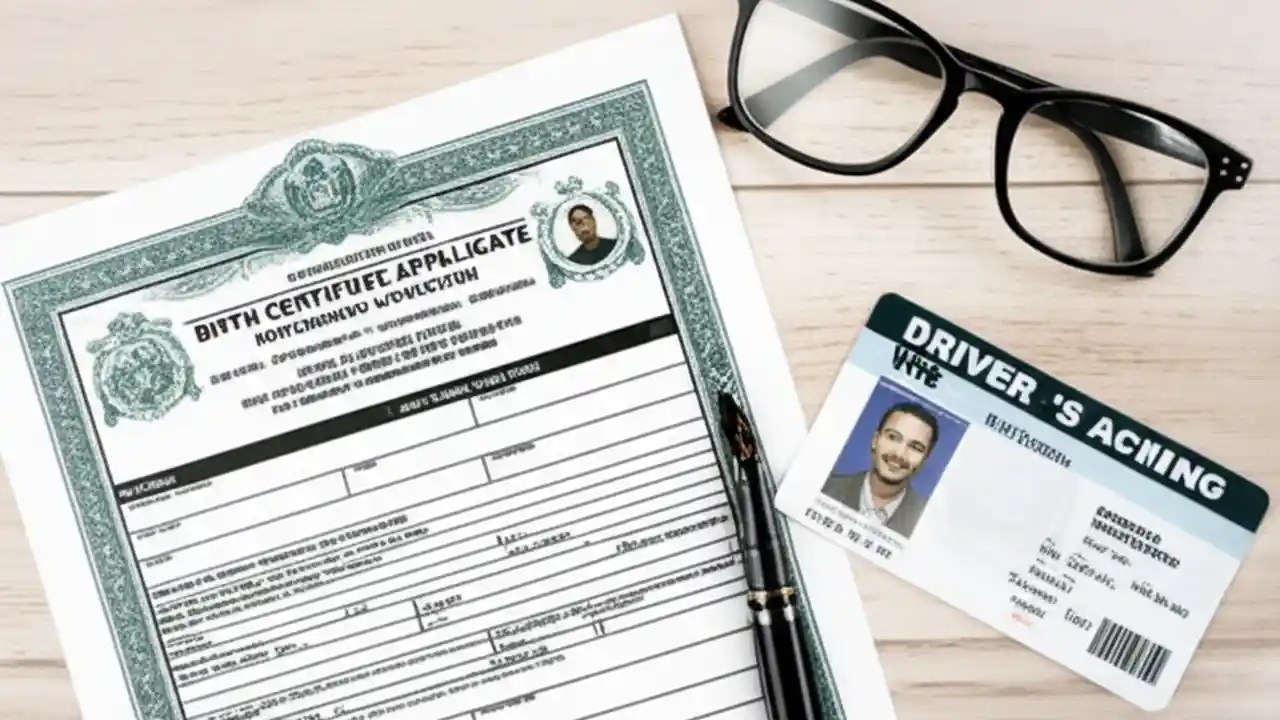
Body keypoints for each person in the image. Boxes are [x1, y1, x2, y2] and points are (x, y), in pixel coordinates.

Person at [821, 401, 939, 538]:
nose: (899, 454)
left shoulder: (928, 525)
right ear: (875, 440)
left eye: (915, 447)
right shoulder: (825, 487)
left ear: (925, 459)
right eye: (893, 437)